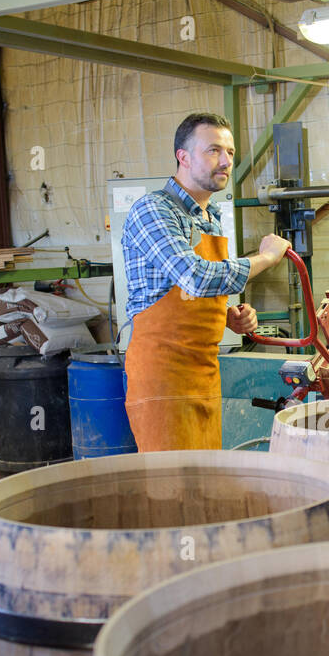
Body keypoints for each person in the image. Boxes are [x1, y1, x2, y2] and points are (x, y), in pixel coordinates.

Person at [120, 112, 292, 451]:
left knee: (206, 480)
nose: (226, 161)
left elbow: (195, 293)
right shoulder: (154, 210)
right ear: (182, 157)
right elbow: (195, 277)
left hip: (204, 373)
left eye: (229, 151)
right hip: (163, 377)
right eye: (213, 150)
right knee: (171, 486)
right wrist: (266, 258)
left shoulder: (209, 217)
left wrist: (228, 314)